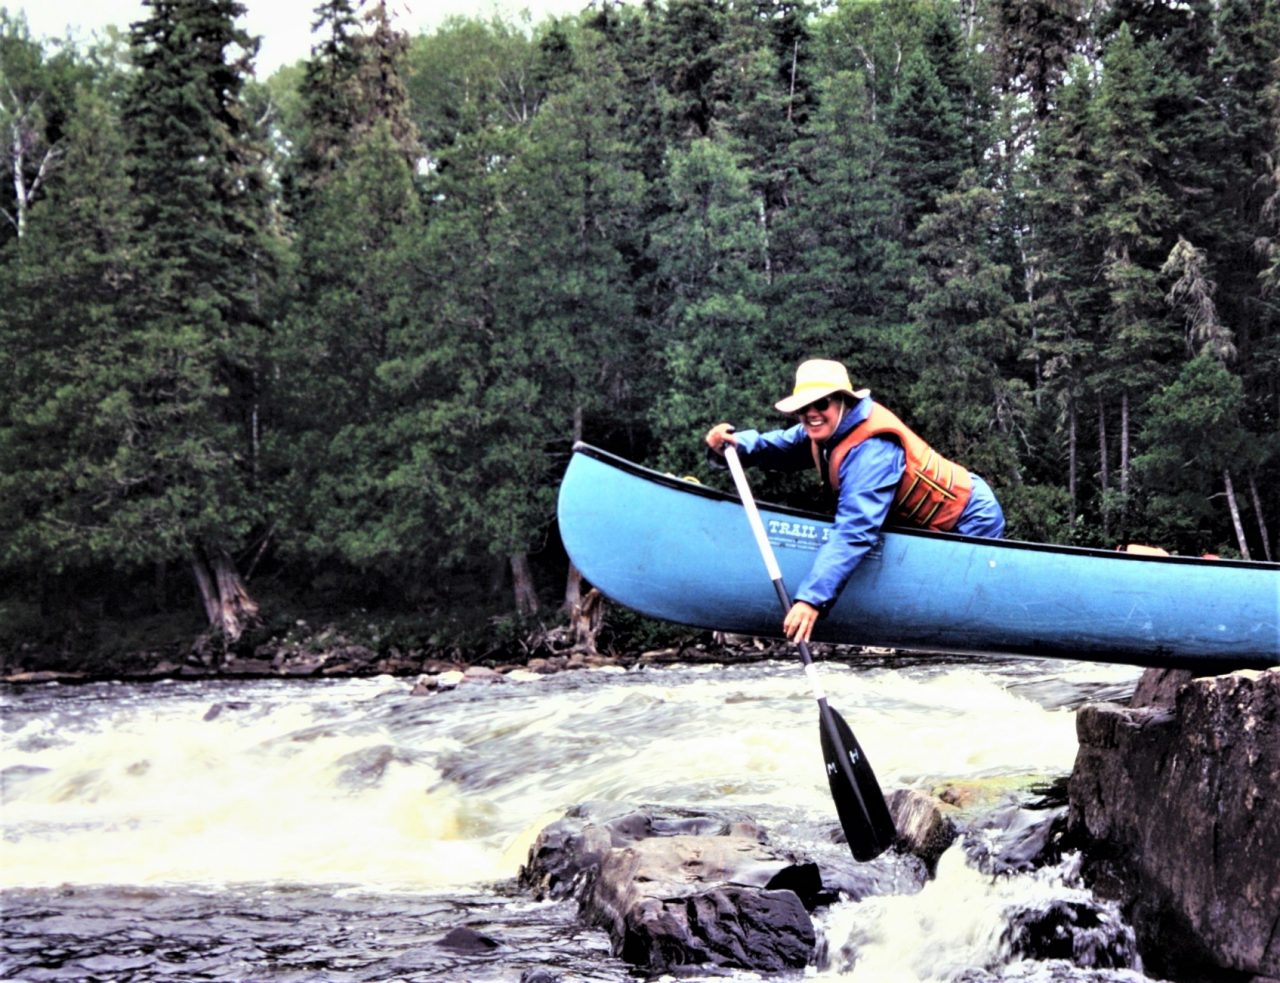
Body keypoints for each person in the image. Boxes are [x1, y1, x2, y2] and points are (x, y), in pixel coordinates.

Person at [706, 358, 1005, 644]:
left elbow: (854, 530)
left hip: (968, 519)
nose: (812, 413)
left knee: (957, 609)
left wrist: (811, 599)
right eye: (803, 407)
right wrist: (736, 444)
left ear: (842, 401)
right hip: (928, 527)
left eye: (821, 403)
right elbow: (780, 445)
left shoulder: (872, 450)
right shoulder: (824, 429)